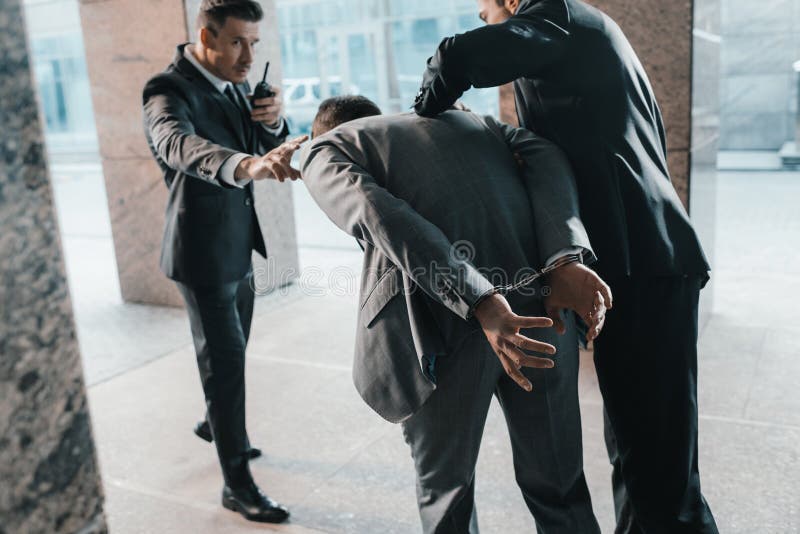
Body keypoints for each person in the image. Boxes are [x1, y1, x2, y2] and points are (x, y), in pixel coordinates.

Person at [413, 1, 717, 533]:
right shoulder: (575, 34)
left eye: (488, 11)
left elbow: (457, 56)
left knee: (659, 470)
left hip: (642, 262)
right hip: (637, 260)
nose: (489, 22)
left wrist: (424, 110)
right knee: (635, 449)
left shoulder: (558, 15)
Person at [301, 95, 612, 534]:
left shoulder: (323, 149)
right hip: (541, 311)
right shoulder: (473, 122)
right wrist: (565, 256)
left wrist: (479, 299)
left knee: (447, 494)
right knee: (559, 483)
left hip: (440, 332)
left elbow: (375, 213)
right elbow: (547, 154)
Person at [142, 0, 305, 523]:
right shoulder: (167, 90)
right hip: (201, 252)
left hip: (238, 244)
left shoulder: (234, 83)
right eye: (237, 42)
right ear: (205, 36)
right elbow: (178, 145)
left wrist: (274, 124)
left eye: (254, 44)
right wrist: (246, 163)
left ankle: (218, 422)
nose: (247, 55)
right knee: (226, 364)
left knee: (232, 354)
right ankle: (236, 484)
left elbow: (264, 144)